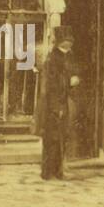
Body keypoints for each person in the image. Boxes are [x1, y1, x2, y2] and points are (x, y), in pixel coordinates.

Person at [36, 26, 80, 180]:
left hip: (62, 102)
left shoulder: (67, 56)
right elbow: (52, 85)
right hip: (53, 104)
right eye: (67, 41)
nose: (70, 43)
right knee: (52, 139)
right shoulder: (53, 58)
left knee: (61, 137)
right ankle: (48, 172)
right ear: (63, 42)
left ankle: (56, 170)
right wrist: (58, 106)